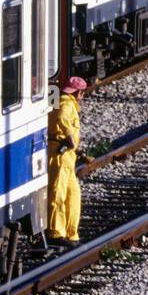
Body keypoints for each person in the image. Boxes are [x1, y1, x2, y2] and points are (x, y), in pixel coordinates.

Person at [47, 76, 88, 248]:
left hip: (67, 155)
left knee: (73, 193)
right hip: (60, 154)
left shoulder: (57, 98)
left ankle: (71, 233)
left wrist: (77, 150)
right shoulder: (67, 103)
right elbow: (62, 118)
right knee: (59, 192)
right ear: (79, 93)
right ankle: (56, 232)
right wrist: (71, 137)